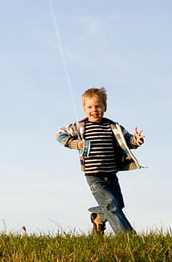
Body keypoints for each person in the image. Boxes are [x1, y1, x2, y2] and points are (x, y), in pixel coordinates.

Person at [56, 86, 145, 235]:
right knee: (111, 205)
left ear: (104, 107)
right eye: (90, 107)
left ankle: (98, 217)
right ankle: (127, 236)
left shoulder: (112, 126)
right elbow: (60, 134)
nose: (94, 110)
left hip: (111, 173)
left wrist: (136, 140)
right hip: (94, 175)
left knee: (117, 205)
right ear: (84, 109)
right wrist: (75, 143)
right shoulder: (81, 127)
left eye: (98, 106)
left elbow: (127, 139)